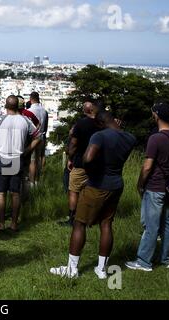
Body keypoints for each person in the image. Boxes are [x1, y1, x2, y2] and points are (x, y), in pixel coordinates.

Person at [50, 112, 136, 279]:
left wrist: (89, 170)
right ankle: (102, 269)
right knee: (106, 224)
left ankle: (72, 269)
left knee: (79, 223)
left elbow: (88, 158)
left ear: (100, 123)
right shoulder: (129, 138)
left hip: (97, 184)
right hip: (117, 183)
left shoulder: (99, 136)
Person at [126, 103, 169, 272]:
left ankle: (144, 261)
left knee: (151, 226)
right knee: (167, 223)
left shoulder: (156, 138)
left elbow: (147, 166)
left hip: (155, 185)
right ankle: (165, 258)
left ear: (156, 115)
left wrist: (140, 184)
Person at [0, 95, 42, 232]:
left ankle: (1, 223)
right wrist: (26, 150)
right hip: (17, 158)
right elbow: (38, 136)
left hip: (1, 157)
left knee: (1, 193)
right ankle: (13, 223)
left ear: (6, 106)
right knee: (15, 193)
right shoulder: (25, 120)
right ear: (18, 106)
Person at [59, 99, 101, 227]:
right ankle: (91, 217)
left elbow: (73, 144)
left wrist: (70, 158)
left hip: (80, 162)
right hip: (98, 163)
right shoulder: (102, 124)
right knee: (91, 191)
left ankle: (72, 218)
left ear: (85, 110)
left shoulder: (81, 124)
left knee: (73, 190)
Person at [28, 92, 48, 183]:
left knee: (32, 160)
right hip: (42, 135)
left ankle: (32, 182)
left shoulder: (30, 111)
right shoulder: (44, 111)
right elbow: (46, 126)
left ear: (30, 99)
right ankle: (38, 179)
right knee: (39, 158)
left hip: (33, 137)